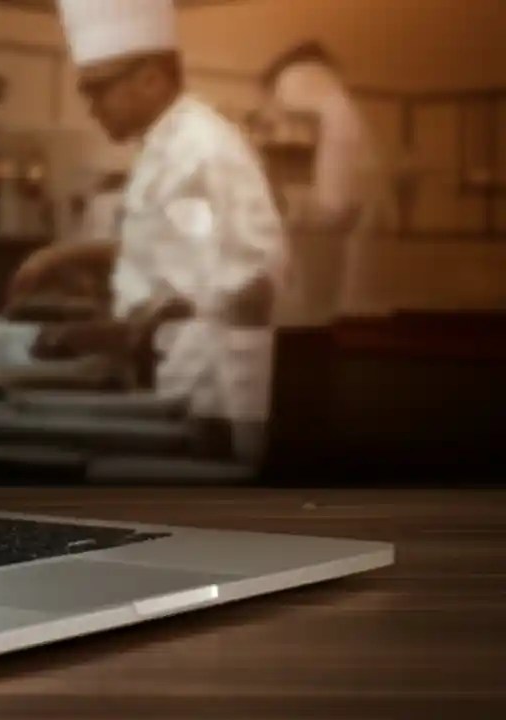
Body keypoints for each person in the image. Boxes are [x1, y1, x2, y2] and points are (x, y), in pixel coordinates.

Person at [23, 0, 290, 462]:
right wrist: (67, 259)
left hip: (213, 399)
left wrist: (131, 333)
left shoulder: (203, 148)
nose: (90, 108)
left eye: (97, 91)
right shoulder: (166, 146)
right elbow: (176, 253)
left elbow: (255, 282)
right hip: (172, 386)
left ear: (150, 78)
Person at [259, 41, 396, 325]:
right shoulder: (342, 113)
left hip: (342, 280)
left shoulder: (336, 121)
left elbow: (334, 209)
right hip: (351, 265)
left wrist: (290, 214)